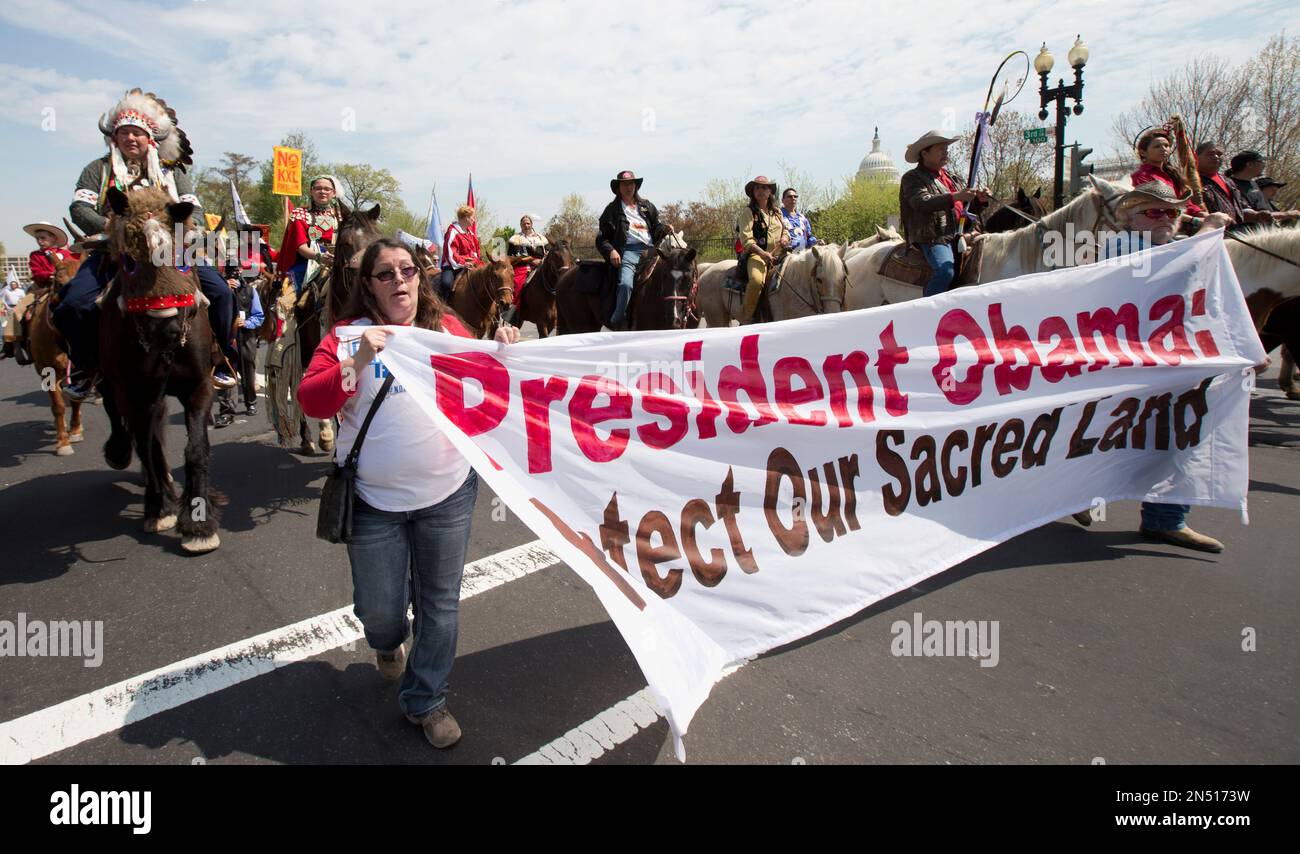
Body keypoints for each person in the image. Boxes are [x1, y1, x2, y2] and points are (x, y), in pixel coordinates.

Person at [299, 238, 520, 749]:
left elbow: (491, 380)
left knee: (440, 606)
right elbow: (312, 400)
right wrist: (358, 360)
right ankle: (385, 642)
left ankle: (426, 700)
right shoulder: (347, 336)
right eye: (385, 273)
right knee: (380, 611)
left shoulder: (446, 331)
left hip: (447, 495)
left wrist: (504, 345)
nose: (400, 280)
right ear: (369, 286)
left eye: (408, 270)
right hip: (375, 504)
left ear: (421, 278)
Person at [54, 89, 237, 401]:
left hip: (171, 252)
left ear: (150, 138)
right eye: (123, 133)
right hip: (115, 252)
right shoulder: (98, 170)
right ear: (114, 138)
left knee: (220, 292)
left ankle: (223, 358)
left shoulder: (171, 171)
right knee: (72, 305)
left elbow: (193, 209)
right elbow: (79, 209)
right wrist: (116, 230)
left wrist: (178, 231)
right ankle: (87, 367)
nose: (130, 139)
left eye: (137, 133)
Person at [1080, 180, 1225, 552]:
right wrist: (1207, 233)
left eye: (1172, 212)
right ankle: (1075, 497)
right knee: (1110, 438)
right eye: (1154, 212)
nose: (1166, 219)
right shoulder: (1124, 247)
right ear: (1130, 218)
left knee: (1179, 438)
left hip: (1171, 363)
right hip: (1127, 367)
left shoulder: (1172, 247)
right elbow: (1172, 272)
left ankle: (1165, 519)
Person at [899, 130, 989, 298]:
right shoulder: (912, 178)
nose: (946, 152)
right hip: (934, 237)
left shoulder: (953, 177)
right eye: (940, 149)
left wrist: (980, 200)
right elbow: (921, 202)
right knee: (945, 270)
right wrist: (956, 196)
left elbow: (966, 208)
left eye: (946, 149)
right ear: (924, 153)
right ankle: (928, 309)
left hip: (961, 234)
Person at [597, 170, 670, 330]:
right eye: (624, 184)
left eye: (631, 183)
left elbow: (656, 227)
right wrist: (611, 251)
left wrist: (664, 229)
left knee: (676, 272)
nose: (628, 187)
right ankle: (618, 318)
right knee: (625, 285)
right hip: (629, 251)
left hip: (652, 250)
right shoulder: (612, 210)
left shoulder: (646, 206)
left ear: (635, 186)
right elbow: (601, 238)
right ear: (618, 187)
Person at [214, 262, 265, 427]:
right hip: (226, 338)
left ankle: (251, 402)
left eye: (236, 270)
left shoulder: (250, 291)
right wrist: (225, 289)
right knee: (227, 373)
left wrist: (247, 322)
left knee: (248, 372)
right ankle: (226, 411)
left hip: (246, 336)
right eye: (230, 271)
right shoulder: (218, 289)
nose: (234, 274)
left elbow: (259, 315)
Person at [736, 175, 790, 324]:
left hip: (781, 255)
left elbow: (785, 231)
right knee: (756, 281)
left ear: (770, 192)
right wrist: (762, 253)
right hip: (757, 256)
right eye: (757, 188)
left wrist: (785, 238)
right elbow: (746, 240)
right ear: (753, 192)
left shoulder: (777, 212)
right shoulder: (748, 212)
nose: (760, 190)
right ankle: (746, 318)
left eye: (764, 188)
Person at [1130, 127, 1210, 227]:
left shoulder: (1172, 174)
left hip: (1183, 223)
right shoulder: (1140, 177)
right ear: (1143, 152)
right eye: (1157, 146)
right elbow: (1158, 208)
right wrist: (1193, 220)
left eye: (1166, 146)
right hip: (1159, 228)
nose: (1163, 149)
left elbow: (1185, 203)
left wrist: (1201, 214)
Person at [278, 175, 343, 297]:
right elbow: (300, 246)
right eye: (318, 188)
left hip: (337, 263)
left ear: (334, 193)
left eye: (327, 189)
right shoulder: (300, 214)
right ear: (311, 191)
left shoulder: (341, 217)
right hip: (307, 265)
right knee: (286, 303)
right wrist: (319, 256)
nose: (322, 191)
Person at [1195, 141, 1273, 232]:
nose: (1216, 157)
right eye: (1210, 154)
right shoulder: (1189, 180)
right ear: (1196, 157)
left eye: (1219, 154)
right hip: (1208, 233)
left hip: (1234, 234)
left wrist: (1256, 215)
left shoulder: (1228, 181)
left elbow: (1241, 208)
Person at [505, 214, 548, 326]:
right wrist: (530, 261)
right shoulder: (515, 239)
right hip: (524, 266)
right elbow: (510, 257)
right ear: (520, 225)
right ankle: (513, 315)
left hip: (542, 266)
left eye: (528, 223)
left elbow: (548, 253)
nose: (526, 225)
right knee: (518, 285)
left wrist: (544, 259)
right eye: (524, 223)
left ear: (532, 224)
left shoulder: (541, 239)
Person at [439, 205, 483, 302]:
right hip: (452, 266)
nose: (474, 220)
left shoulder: (471, 235)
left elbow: (476, 253)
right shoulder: (452, 232)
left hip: (470, 266)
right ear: (466, 217)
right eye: (473, 217)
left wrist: (475, 263)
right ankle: (441, 308)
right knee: (446, 283)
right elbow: (450, 254)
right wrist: (464, 263)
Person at [1, 275, 26, 360]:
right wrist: (6, 306)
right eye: (11, 284)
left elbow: (24, 299)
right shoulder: (6, 291)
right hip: (9, 309)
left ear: (17, 285)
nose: (13, 285)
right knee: (9, 327)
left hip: (19, 308)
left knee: (21, 324)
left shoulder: (21, 291)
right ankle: (7, 346)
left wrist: (20, 306)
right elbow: (3, 299)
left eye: (14, 284)